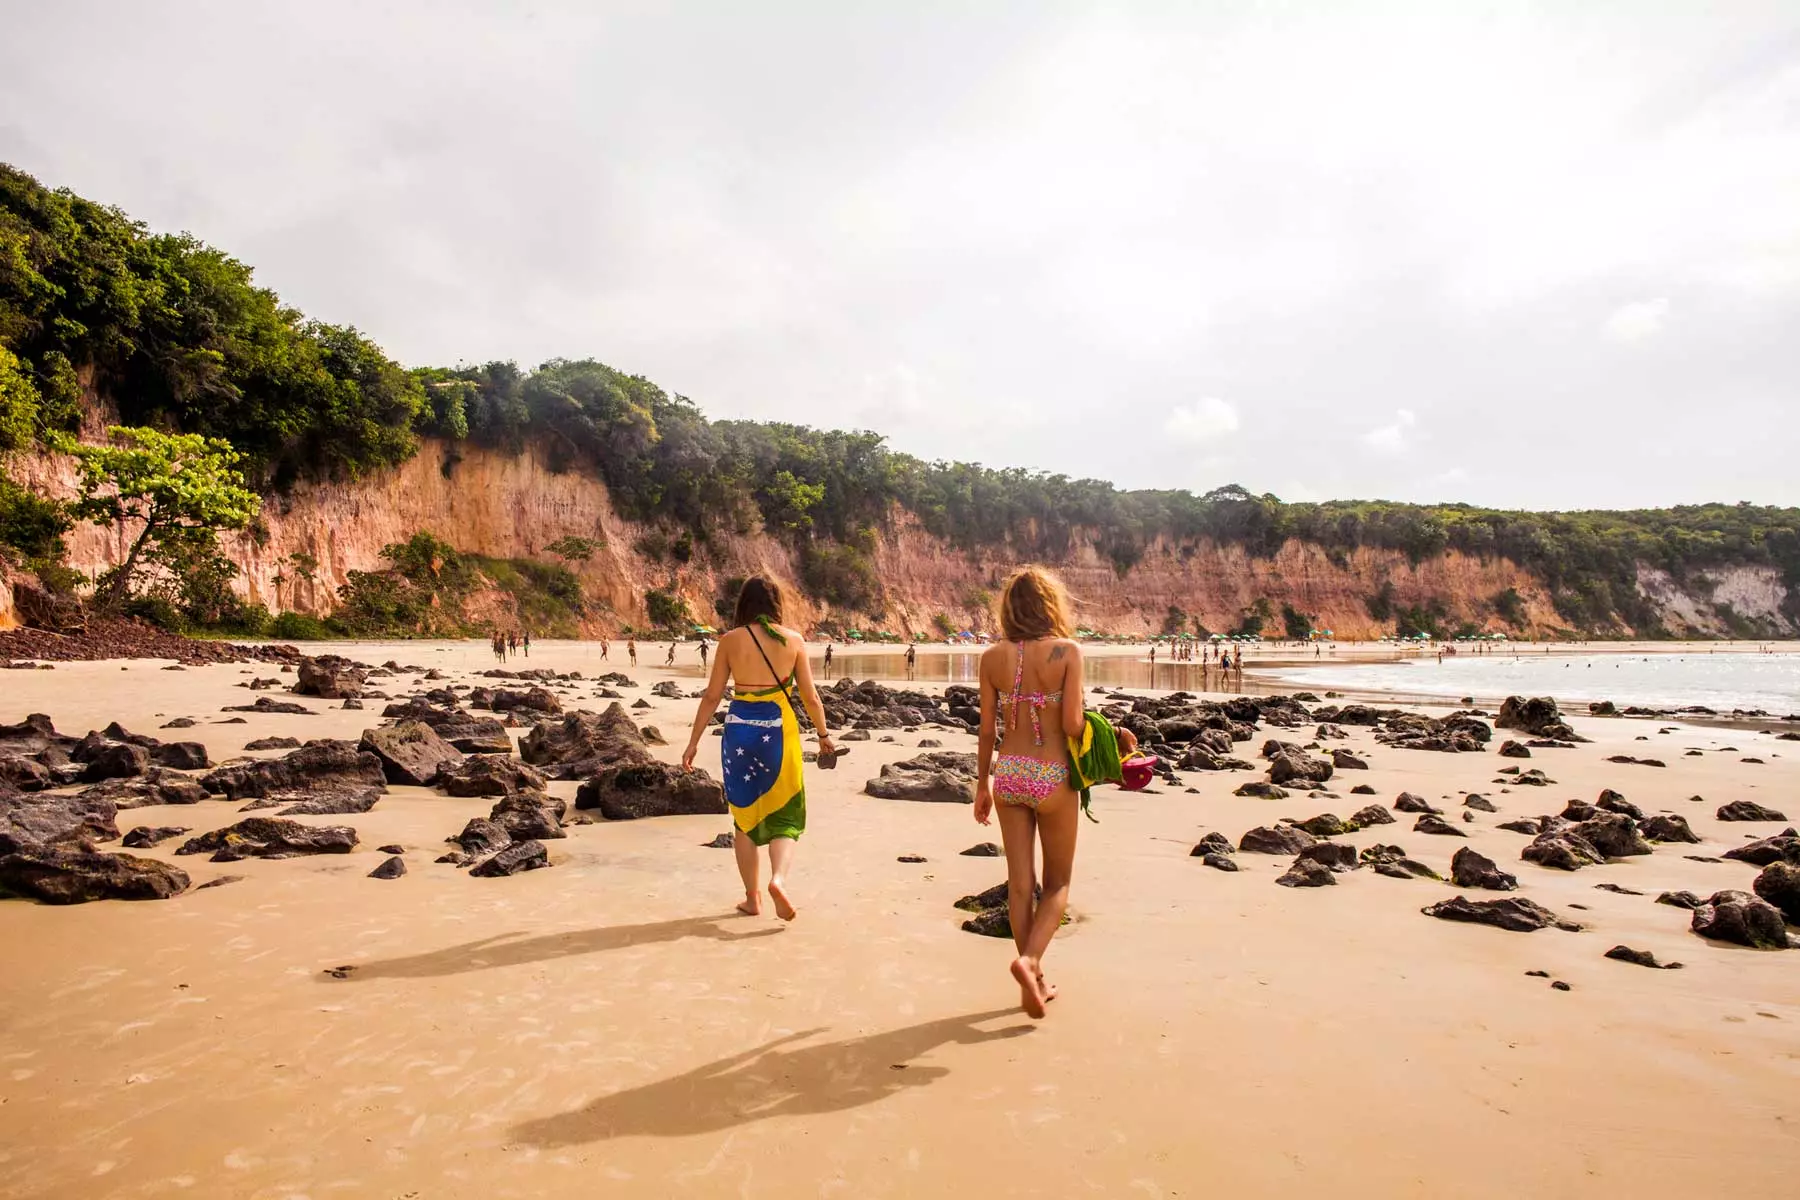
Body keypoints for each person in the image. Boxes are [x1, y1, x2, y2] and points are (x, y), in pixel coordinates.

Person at [682, 576, 836, 921]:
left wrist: (692, 743)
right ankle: (778, 880)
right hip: (779, 730)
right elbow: (810, 697)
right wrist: (824, 736)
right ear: (776, 605)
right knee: (786, 812)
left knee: (744, 817)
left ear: (743, 605)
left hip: (738, 731)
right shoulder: (793, 640)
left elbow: (712, 696)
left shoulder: (729, 641)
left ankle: (752, 899)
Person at [973, 566, 1085, 1020]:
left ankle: (1032, 984)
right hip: (1053, 775)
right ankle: (1031, 962)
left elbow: (985, 730)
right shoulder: (1067, 652)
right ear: (1050, 605)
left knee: (1020, 886)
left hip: (1011, 773)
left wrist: (982, 783)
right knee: (1057, 883)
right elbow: (1074, 725)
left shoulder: (991, 657)